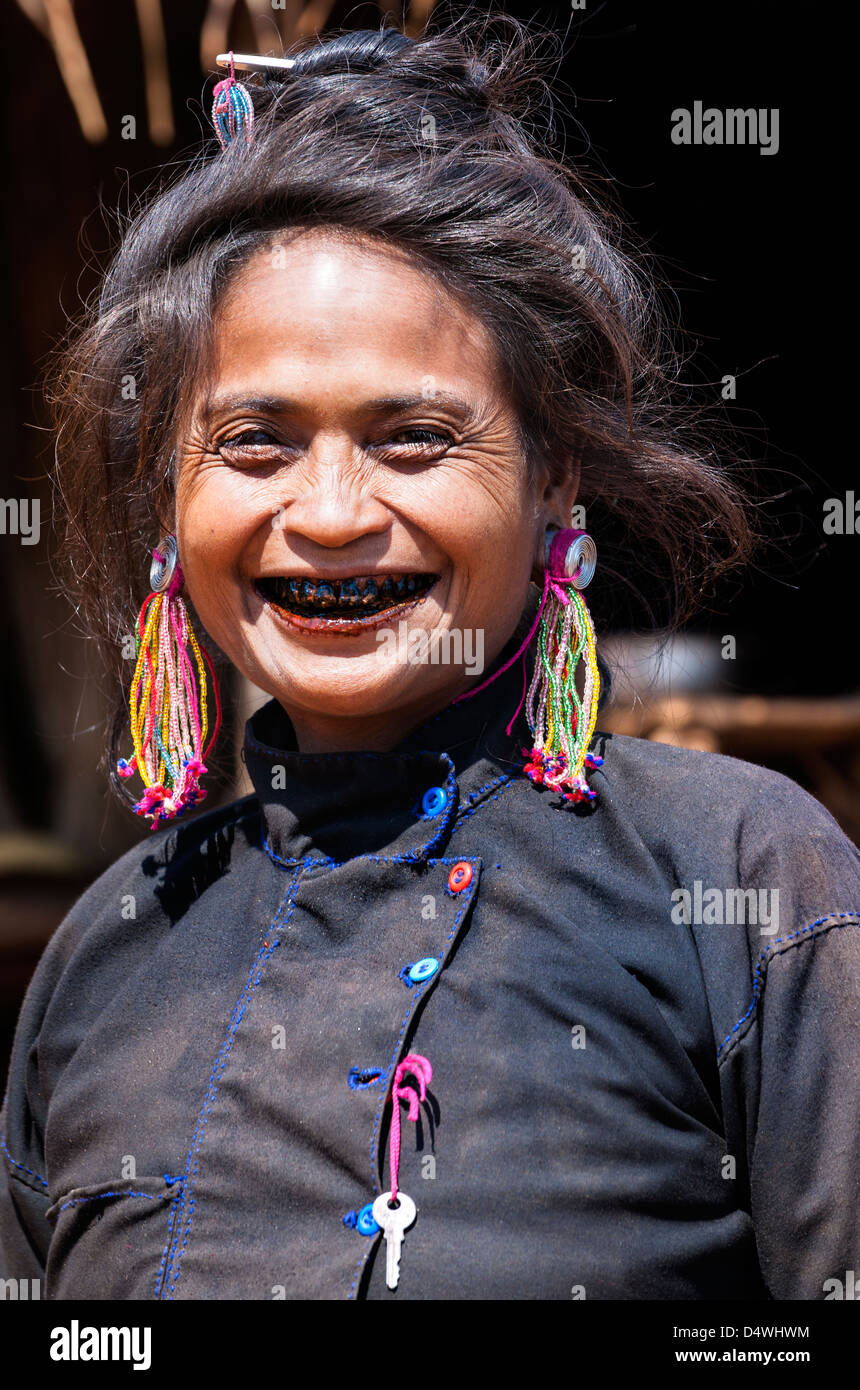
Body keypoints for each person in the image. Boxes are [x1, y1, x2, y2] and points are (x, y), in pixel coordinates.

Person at [1, 17, 857, 1301]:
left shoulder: (744, 886)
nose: (332, 512)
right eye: (253, 442)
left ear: (553, 468)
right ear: (172, 492)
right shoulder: (111, 953)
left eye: (411, 437)